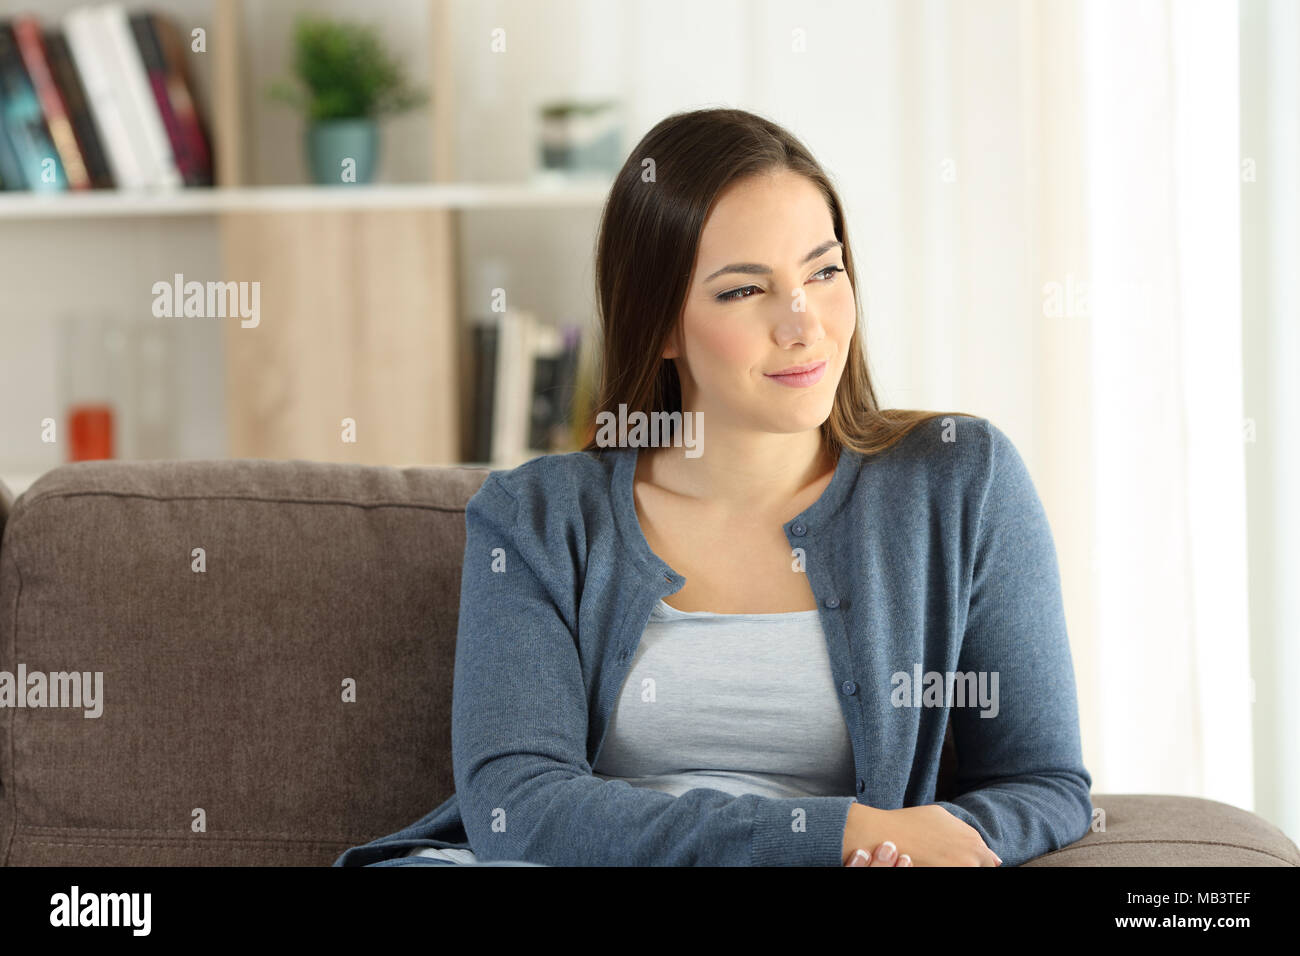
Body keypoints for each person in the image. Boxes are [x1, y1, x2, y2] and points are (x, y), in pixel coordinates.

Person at [334, 107, 1091, 868]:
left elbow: (1044, 782)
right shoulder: (537, 516)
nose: (803, 324)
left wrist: (918, 848)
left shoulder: (961, 481)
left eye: (824, 272)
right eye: (743, 291)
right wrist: (840, 833)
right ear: (661, 325)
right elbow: (515, 803)